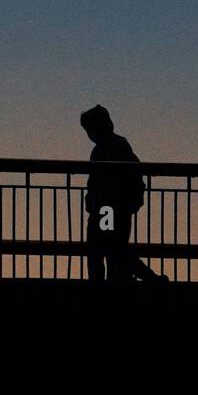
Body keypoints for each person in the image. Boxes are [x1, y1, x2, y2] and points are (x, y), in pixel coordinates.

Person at [80, 104, 167, 283]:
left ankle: (146, 279)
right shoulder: (117, 145)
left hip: (107, 209)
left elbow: (103, 181)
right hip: (112, 207)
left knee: (104, 247)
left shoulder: (109, 147)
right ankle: (132, 279)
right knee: (111, 248)